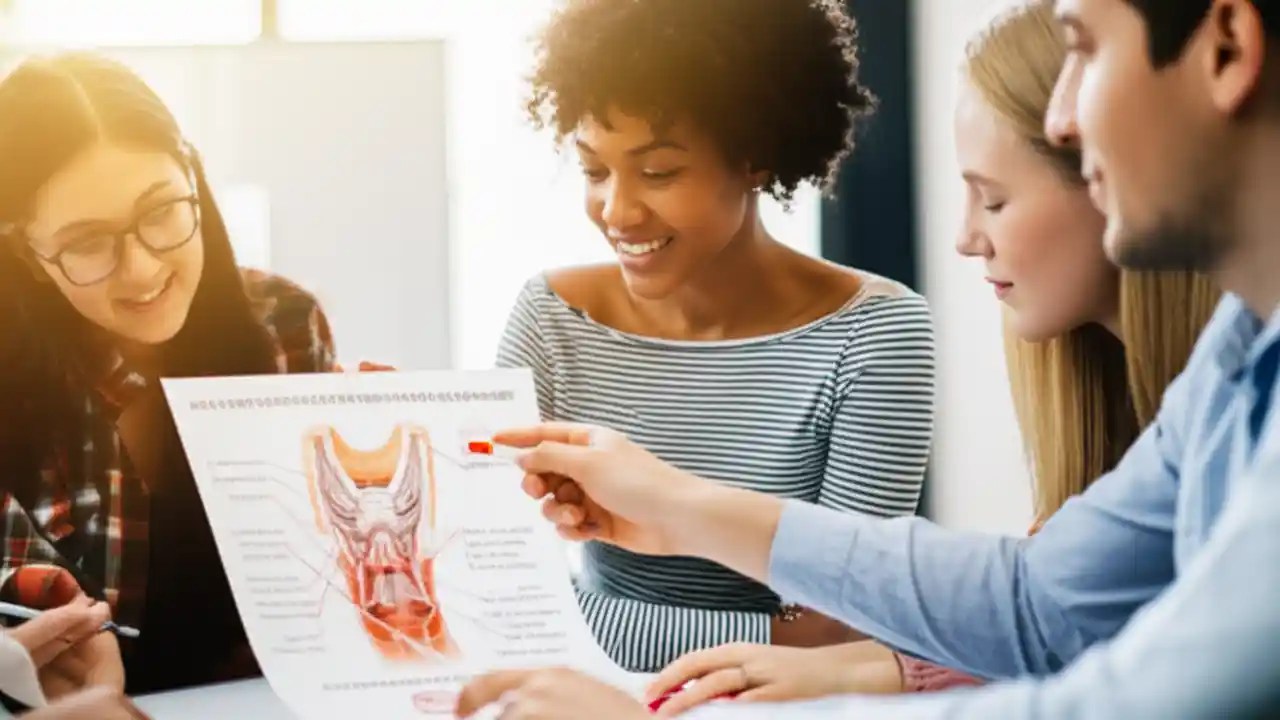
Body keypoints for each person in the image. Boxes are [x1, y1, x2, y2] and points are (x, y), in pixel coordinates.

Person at [454, 0, 1280, 717]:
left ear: (1227, 50)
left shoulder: (875, 326)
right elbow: (1036, 603)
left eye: (1087, 50)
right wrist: (674, 504)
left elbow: (1125, 704)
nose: (1064, 116)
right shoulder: (1238, 356)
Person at [643, 2, 1223, 712]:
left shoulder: (1238, 407)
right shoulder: (1181, 409)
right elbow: (1037, 607)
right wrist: (892, 670)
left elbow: (1095, 666)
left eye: (995, 199)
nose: (964, 239)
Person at [495, 0, 936, 671]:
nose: (617, 210)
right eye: (594, 170)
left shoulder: (874, 333)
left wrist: (571, 623)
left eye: (659, 171)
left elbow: (843, 624)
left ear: (754, 156)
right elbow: (488, 566)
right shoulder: (553, 317)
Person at [0, 52, 336, 697]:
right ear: (31, 254)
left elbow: (325, 586)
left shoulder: (285, 325)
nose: (142, 269)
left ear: (193, 176)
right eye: (88, 242)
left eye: (161, 212)